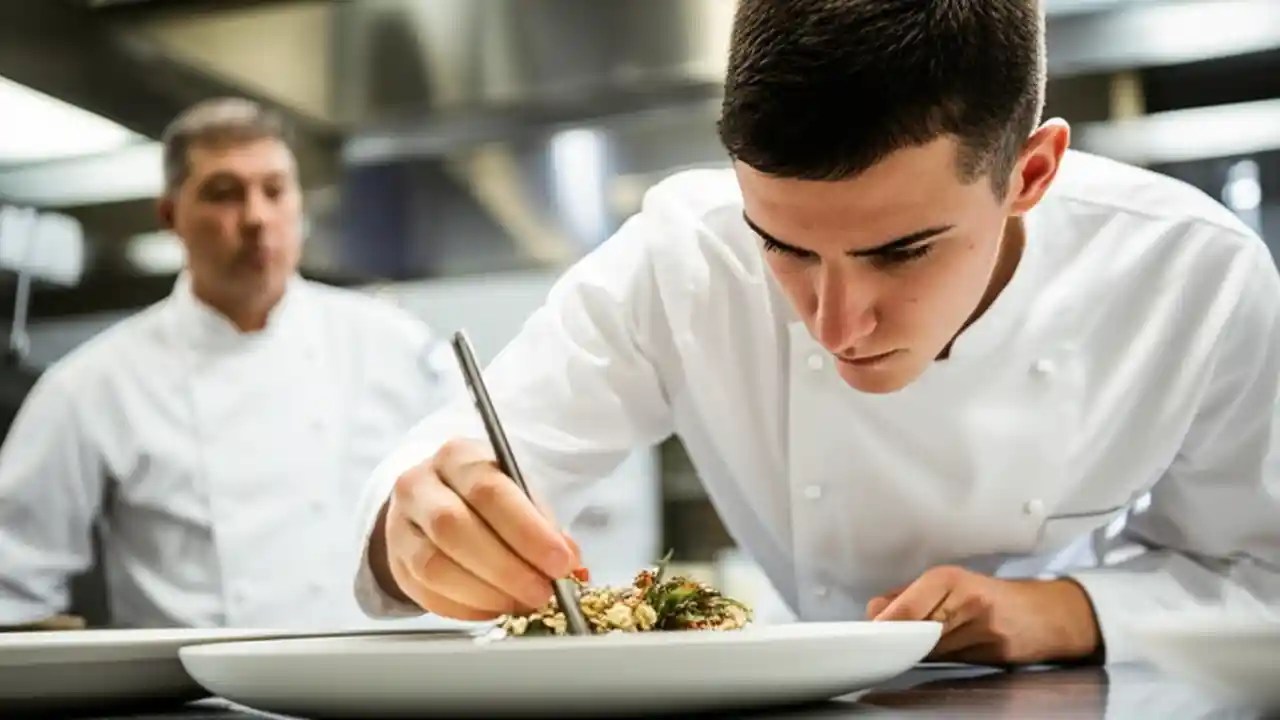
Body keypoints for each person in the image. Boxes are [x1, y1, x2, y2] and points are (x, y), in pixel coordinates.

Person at [353, 0, 1280, 665]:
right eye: (783, 247)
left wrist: (1068, 611)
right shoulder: (683, 254)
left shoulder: (1193, 274)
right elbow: (460, 453)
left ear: (1030, 174)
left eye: (902, 252)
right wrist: (424, 525)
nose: (837, 324)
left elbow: (1262, 573)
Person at [0, 97, 461, 629]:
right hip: (187, 682)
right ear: (170, 216)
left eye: (274, 190)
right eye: (224, 194)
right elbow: (13, 581)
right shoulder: (93, 385)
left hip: (382, 675)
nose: (256, 218)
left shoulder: (396, 346)